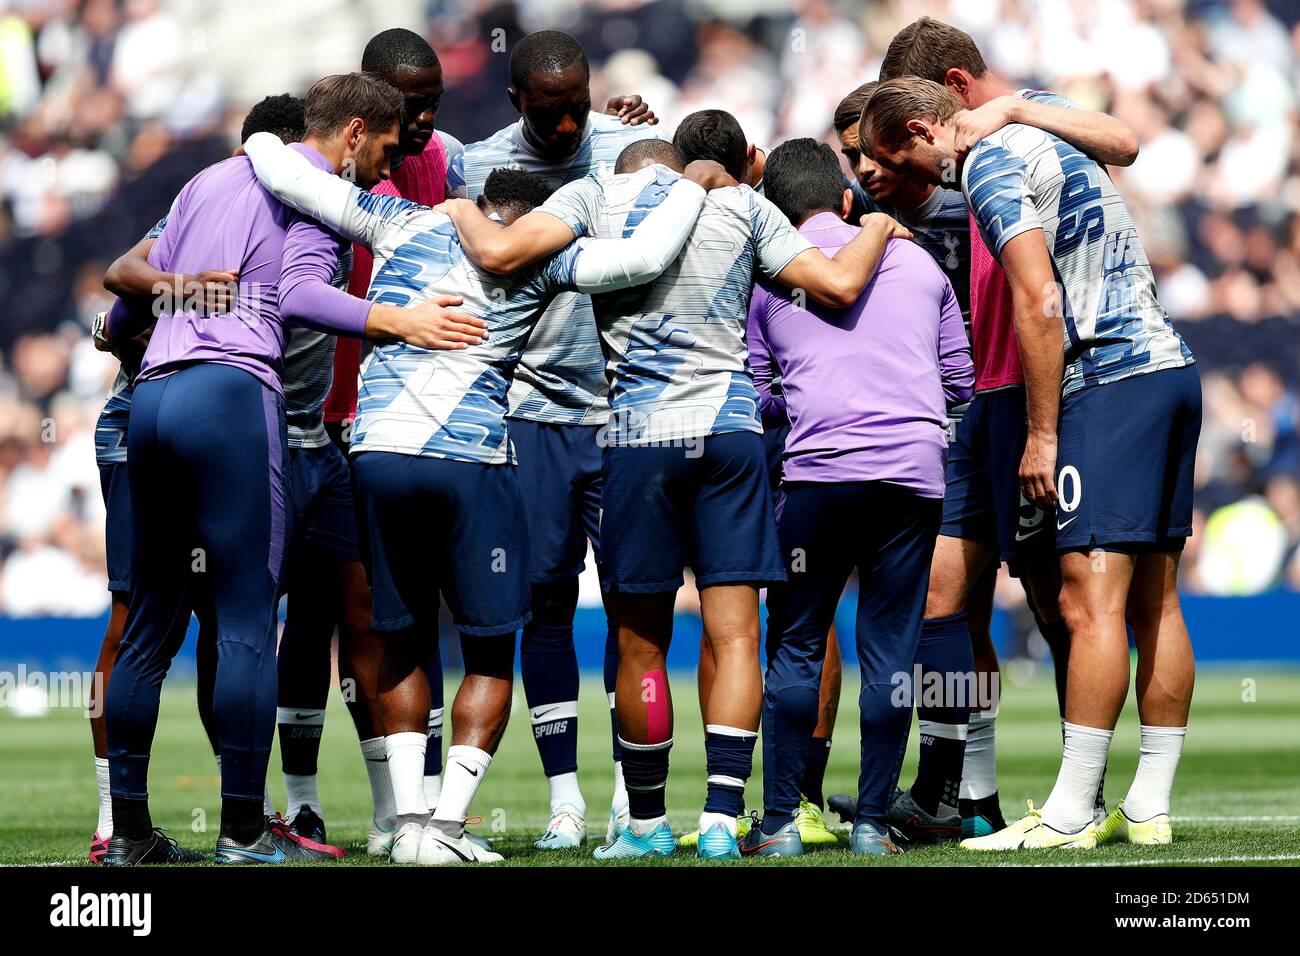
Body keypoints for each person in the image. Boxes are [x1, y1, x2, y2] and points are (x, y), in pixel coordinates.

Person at [242, 127, 728, 863]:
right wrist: (696, 182)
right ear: (534, 218)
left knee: (400, 640)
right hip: (469, 458)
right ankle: (446, 828)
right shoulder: (547, 256)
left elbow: (289, 176)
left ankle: (405, 827)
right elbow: (645, 257)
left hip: (375, 451)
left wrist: (257, 138)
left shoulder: (398, 218)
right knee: (491, 651)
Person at [438, 117, 906, 860]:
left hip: (638, 438)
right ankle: (723, 819)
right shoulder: (742, 206)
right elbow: (839, 283)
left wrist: (460, 209)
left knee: (642, 642)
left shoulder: (595, 195)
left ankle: (648, 825)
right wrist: (879, 227)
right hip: (728, 432)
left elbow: (501, 255)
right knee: (736, 633)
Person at [99, 72, 462, 866]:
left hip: (152, 402)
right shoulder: (318, 195)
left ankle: (127, 835)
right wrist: (392, 319)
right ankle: (243, 831)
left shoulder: (204, 181)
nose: (386, 171)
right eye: (387, 152)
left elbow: (128, 305)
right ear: (356, 131)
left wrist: (130, 322)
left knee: (151, 627)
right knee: (245, 628)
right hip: (233, 402)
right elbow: (296, 293)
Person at [865, 76, 1199, 851]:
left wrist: (1042, 434)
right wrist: (1016, 104)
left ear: (923, 126)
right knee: (1157, 602)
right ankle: (1147, 807)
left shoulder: (982, 163)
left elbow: (1039, 298)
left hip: (1109, 380)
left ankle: (1072, 810)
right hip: (1168, 365)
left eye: (898, 160)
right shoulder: (1045, 126)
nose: (911, 181)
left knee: (1090, 604)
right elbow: (1127, 142)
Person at [446, 29, 662, 848]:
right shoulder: (479, 165)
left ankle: (627, 801)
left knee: (635, 610)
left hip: (626, 411)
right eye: (550, 114)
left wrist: (649, 134)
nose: (569, 128)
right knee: (543, 604)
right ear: (516, 104)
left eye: (576, 109)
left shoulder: (625, 146)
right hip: (532, 413)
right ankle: (566, 798)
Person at [745, 138, 973, 857]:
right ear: (848, 200)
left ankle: (780, 822)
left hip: (818, 478)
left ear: (772, 213)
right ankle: (872, 823)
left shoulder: (768, 274)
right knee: (892, 656)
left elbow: (757, 397)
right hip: (911, 476)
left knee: (798, 647)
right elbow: (961, 380)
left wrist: (812, 396)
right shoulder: (916, 259)